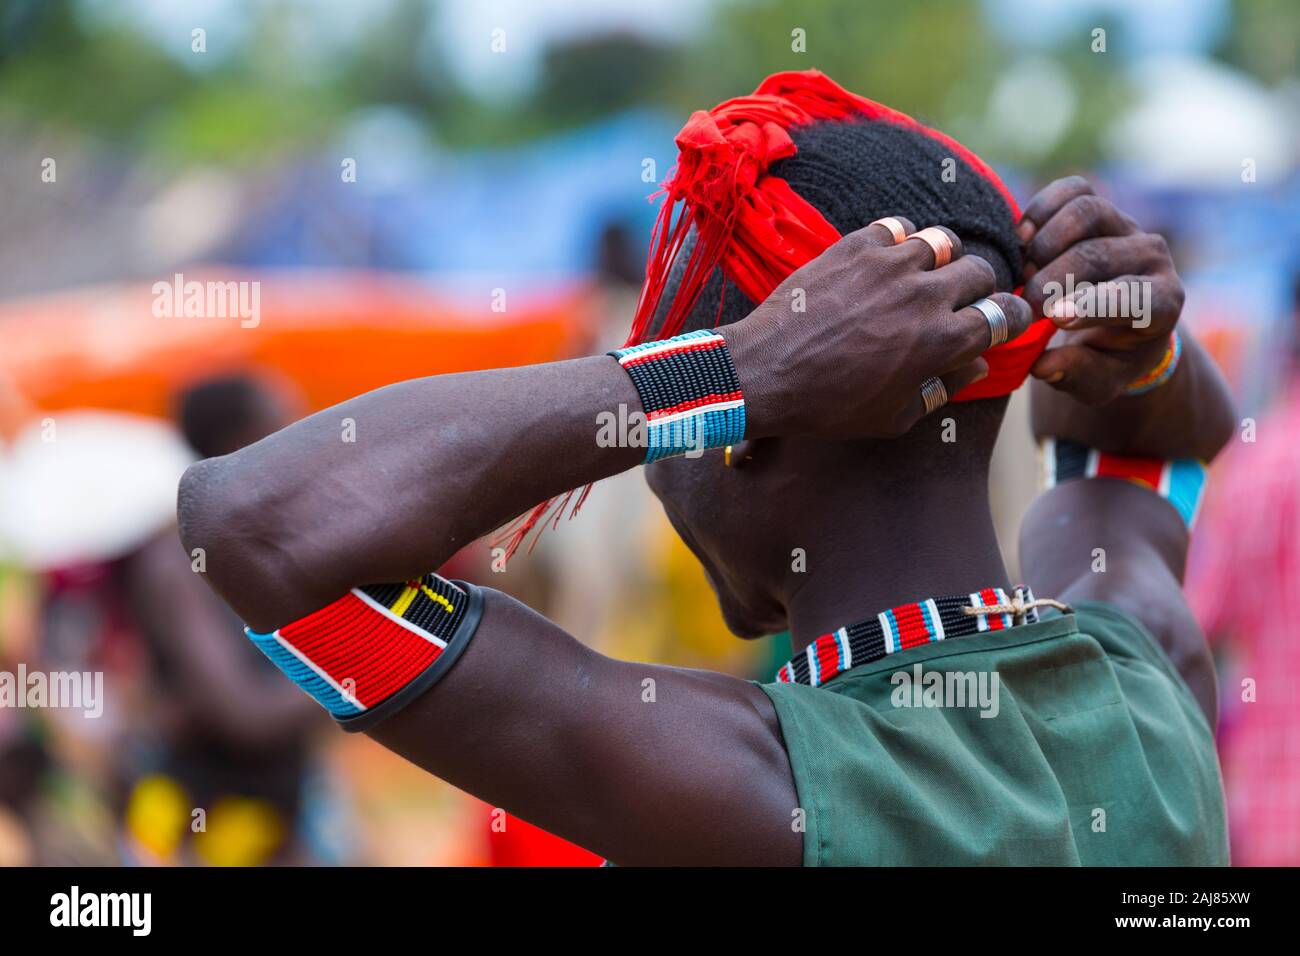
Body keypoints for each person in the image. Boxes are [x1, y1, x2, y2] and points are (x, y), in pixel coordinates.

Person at [176, 71, 1235, 865]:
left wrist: (731, 368)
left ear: (747, 429)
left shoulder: (757, 788)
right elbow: (1152, 437)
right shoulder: (1148, 673)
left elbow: (255, 523)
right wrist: (1140, 344)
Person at [120, 374, 330, 865]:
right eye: (280, 422)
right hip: (204, 829)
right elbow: (243, 713)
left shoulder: (267, 544)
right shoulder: (179, 562)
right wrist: (365, 675)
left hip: (276, 815)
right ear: (239, 442)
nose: (301, 433)